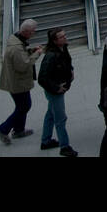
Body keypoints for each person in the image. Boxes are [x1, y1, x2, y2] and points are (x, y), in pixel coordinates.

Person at [0, 19, 43, 143]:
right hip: (17, 82)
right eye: (33, 31)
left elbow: (21, 57)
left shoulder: (16, 40)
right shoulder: (16, 48)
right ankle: (3, 129)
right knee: (24, 106)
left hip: (15, 81)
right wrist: (37, 54)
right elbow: (23, 65)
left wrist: (30, 51)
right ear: (26, 32)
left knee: (22, 105)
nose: (34, 33)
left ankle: (19, 129)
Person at [36, 28, 78, 156]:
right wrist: (56, 88)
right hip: (55, 91)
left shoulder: (63, 48)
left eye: (64, 35)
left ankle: (46, 140)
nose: (65, 38)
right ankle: (64, 146)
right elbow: (42, 78)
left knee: (50, 114)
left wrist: (70, 70)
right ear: (54, 41)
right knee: (60, 118)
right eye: (61, 37)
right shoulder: (51, 56)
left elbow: (67, 61)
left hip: (59, 87)